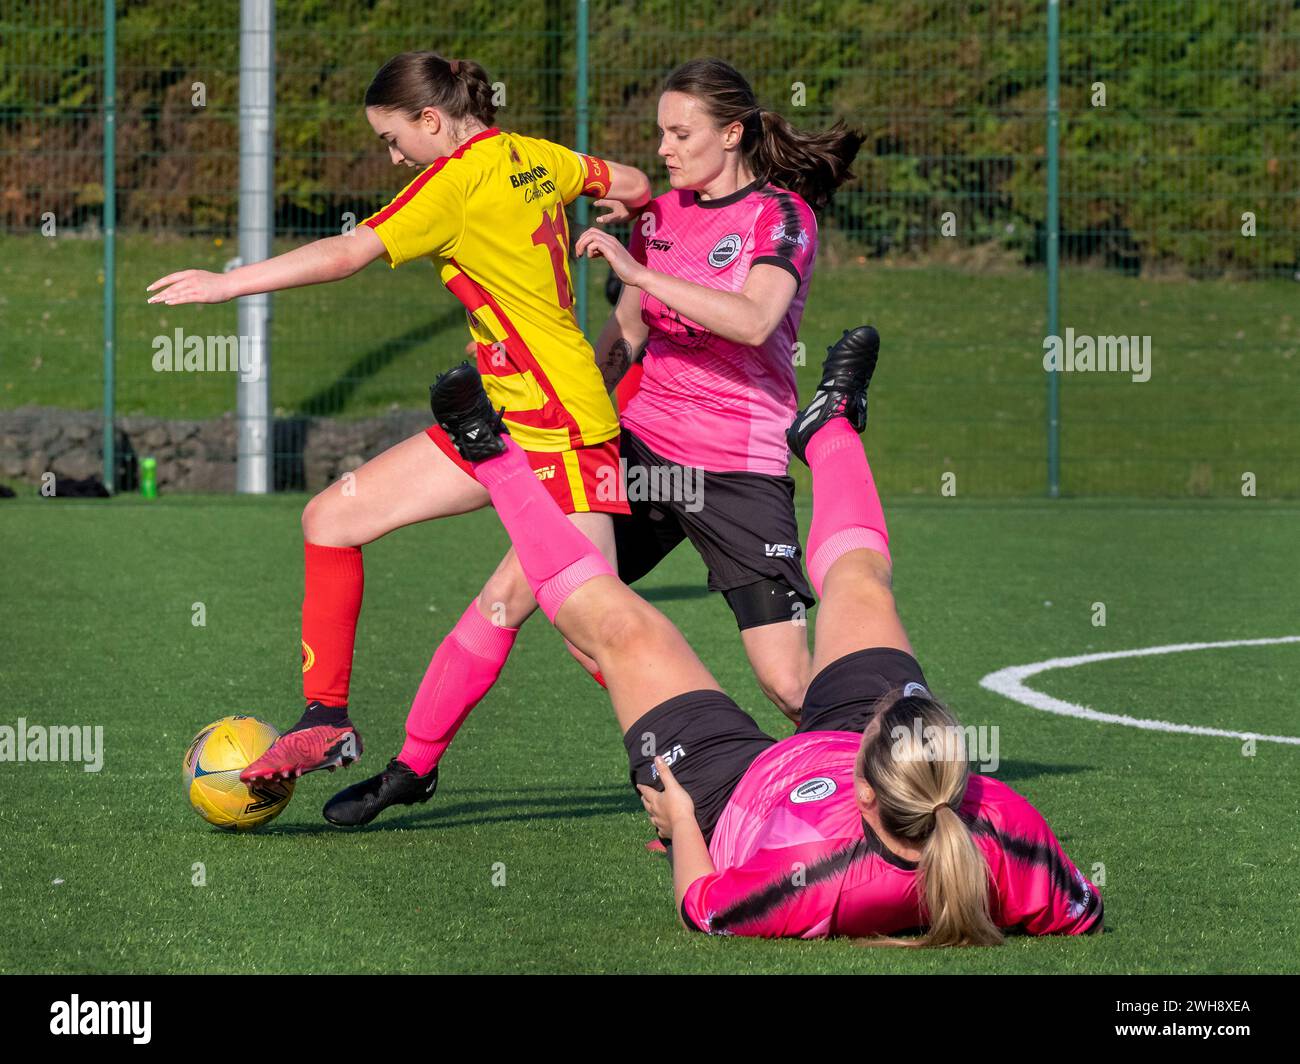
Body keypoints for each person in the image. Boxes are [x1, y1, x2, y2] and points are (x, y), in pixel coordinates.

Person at [425, 325, 1105, 943]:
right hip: (844, 768)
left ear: (865, 794)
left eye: (881, 725)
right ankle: (830, 427)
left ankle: (492, 453)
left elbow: (705, 906)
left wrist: (683, 821)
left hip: (732, 789)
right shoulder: (999, 821)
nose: (881, 709)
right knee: (862, 582)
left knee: (618, 626)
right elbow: (1082, 911)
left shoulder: (815, 874)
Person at [145, 51, 653, 791]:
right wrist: (632, 216)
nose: (391, 155)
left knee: (599, 636)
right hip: (497, 419)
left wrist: (229, 284)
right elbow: (632, 181)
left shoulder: (451, 182)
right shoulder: (535, 155)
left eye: (392, 138)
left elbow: (346, 253)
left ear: (432, 119)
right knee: (330, 519)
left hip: (562, 426)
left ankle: (706, 774)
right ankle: (326, 718)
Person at [574, 58, 866, 723]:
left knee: (792, 686)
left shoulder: (783, 216)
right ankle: (709, 765)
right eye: (660, 133)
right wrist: (578, 402)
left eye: (680, 134)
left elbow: (756, 320)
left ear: (732, 134)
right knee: (572, 601)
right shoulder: (658, 216)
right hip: (646, 450)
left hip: (737, 467)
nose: (662, 149)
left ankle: (917, 782)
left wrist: (641, 276)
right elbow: (622, 341)